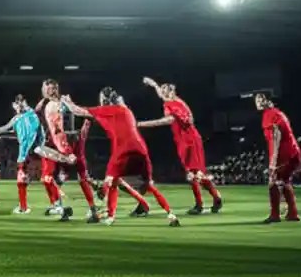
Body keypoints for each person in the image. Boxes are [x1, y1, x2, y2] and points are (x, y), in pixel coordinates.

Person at [62, 88, 179, 226]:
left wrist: (66, 101)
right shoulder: (127, 110)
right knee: (149, 185)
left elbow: (78, 111)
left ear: (105, 100)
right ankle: (171, 214)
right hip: (141, 149)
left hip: (123, 149)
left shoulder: (109, 110)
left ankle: (105, 215)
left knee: (110, 182)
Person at [0, 95, 76, 217]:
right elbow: (2, 129)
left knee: (41, 180)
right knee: (32, 180)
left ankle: (52, 205)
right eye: (17, 104)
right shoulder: (21, 118)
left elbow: (30, 133)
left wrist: (31, 149)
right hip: (32, 153)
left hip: (33, 153)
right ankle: (39, 207)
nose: (18, 106)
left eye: (20, 103)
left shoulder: (30, 116)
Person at [138, 77, 223, 215]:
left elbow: (168, 120)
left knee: (192, 175)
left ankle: (200, 204)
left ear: (172, 92)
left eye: (166, 91)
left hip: (188, 141)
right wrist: (153, 84)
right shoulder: (176, 102)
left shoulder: (172, 105)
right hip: (189, 139)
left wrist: (142, 124)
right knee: (197, 174)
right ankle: (215, 198)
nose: (162, 94)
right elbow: (161, 93)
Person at [37, 79, 100, 222]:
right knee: (56, 179)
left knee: (74, 178)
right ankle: (65, 208)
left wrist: (66, 151)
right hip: (61, 143)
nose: (47, 91)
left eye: (50, 88)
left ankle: (86, 210)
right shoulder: (50, 104)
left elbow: (58, 129)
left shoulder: (55, 104)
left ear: (55, 89)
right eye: (46, 88)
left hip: (65, 144)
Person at [255, 91, 301, 223]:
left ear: (267, 100)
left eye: (260, 99)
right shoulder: (277, 113)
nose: (257, 103)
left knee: (273, 181)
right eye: (256, 100)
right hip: (293, 151)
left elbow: (276, 136)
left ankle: (275, 215)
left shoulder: (269, 115)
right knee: (284, 181)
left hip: (285, 153)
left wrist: (273, 161)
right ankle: (293, 213)